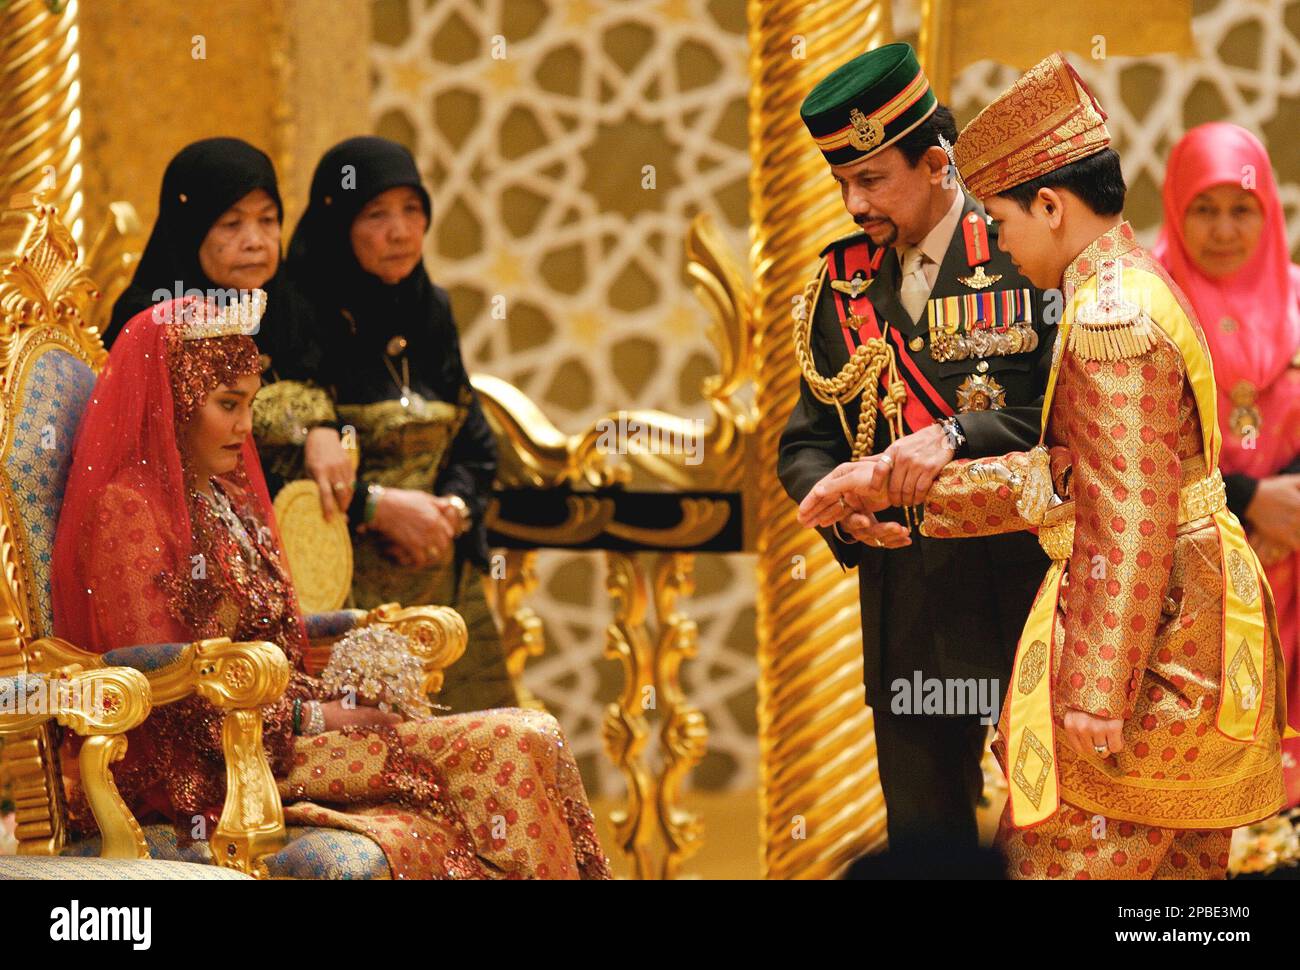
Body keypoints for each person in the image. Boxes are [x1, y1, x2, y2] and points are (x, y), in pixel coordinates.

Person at [802, 52, 1289, 879]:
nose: (1000, 243)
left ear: (1053, 206)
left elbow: (1126, 523)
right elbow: (1064, 479)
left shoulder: (1105, 320)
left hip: (1149, 659)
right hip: (1176, 634)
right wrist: (891, 485)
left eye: (1004, 219)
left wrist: (1097, 690)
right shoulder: (1131, 279)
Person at [51, 296, 610, 880]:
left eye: (251, 404)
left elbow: (278, 632)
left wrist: (357, 653)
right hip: (220, 764)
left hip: (283, 733)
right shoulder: (130, 508)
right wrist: (316, 719)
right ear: (176, 405)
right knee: (515, 740)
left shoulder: (221, 498)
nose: (245, 427)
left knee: (531, 736)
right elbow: (154, 679)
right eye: (227, 405)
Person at [780, 42, 1052, 855]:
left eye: (871, 180)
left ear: (936, 163)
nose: (852, 201)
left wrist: (954, 435)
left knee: (1050, 836)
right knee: (926, 844)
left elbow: (1057, 413)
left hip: (1025, 598)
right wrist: (836, 510)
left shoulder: (1021, 249)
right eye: (842, 182)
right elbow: (808, 438)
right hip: (910, 612)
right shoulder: (842, 282)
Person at [287, 137, 517, 714]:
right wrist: (379, 507)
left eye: (412, 210)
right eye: (376, 214)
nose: (401, 231)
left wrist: (449, 514)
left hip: (443, 589)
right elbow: (278, 465)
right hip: (342, 594)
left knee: (488, 760)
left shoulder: (429, 309)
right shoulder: (297, 315)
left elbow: (476, 443)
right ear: (338, 223)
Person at [1154, 122, 1300, 806]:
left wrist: (1288, 503)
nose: (1223, 229)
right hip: (1189, 575)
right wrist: (1247, 499)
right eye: (1203, 209)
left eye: (1241, 208)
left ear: (1268, 210)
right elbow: (1140, 440)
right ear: (1175, 210)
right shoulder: (1149, 306)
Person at [103, 137, 356, 519]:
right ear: (190, 231)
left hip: (303, 525)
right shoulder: (155, 321)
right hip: (188, 528)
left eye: (268, 220)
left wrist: (324, 428)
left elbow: (341, 397)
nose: (255, 242)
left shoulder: (291, 307)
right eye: (231, 223)